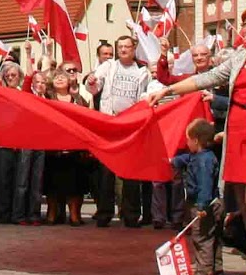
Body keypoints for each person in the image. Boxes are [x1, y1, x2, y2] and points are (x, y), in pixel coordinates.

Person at [149, 5, 246, 275]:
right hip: (237, 129)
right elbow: (208, 78)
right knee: (243, 205)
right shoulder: (239, 57)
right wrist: (167, 90)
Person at [88, 35, 154, 228]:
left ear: (134, 49)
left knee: (131, 171)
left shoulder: (142, 72)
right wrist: (92, 81)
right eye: (120, 47)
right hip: (110, 123)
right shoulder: (109, 66)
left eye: (127, 46)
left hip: (131, 125)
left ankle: (131, 214)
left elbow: (146, 95)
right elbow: (94, 87)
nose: (123, 50)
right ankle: (104, 213)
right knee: (106, 171)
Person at [170, 118, 222, 275]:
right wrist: (173, 161)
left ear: (196, 140)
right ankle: (217, 268)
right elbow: (186, 159)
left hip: (205, 205)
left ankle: (205, 270)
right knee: (214, 238)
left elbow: (205, 185)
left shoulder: (203, 162)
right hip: (212, 203)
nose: (186, 143)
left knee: (202, 237)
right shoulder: (200, 156)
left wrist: (202, 206)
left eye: (187, 139)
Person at [44, 70, 88, 225]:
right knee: (52, 183)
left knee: (74, 183)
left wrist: (76, 96)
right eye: (56, 76)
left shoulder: (76, 97)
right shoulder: (47, 97)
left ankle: (74, 214)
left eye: (63, 76)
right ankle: (52, 213)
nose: (60, 78)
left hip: (73, 147)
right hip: (53, 147)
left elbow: (85, 114)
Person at [12, 71, 49, 224]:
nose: (40, 85)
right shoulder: (28, 95)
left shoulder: (48, 100)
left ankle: (34, 214)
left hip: (41, 144)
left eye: (43, 82)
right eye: (38, 82)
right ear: (33, 84)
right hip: (26, 143)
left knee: (37, 181)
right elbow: (27, 80)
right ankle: (19, 215)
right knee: (22, 181)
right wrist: (28, 55)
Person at [0, 61, 27, 222]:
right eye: (8, 76)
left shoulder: (24, 93)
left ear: (19, 76)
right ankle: (3, 213)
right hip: (4, 142)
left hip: (21, 142)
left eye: (13, 75)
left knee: (20, 181)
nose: (11, 78)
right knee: (3, 179)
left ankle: (17, 213)